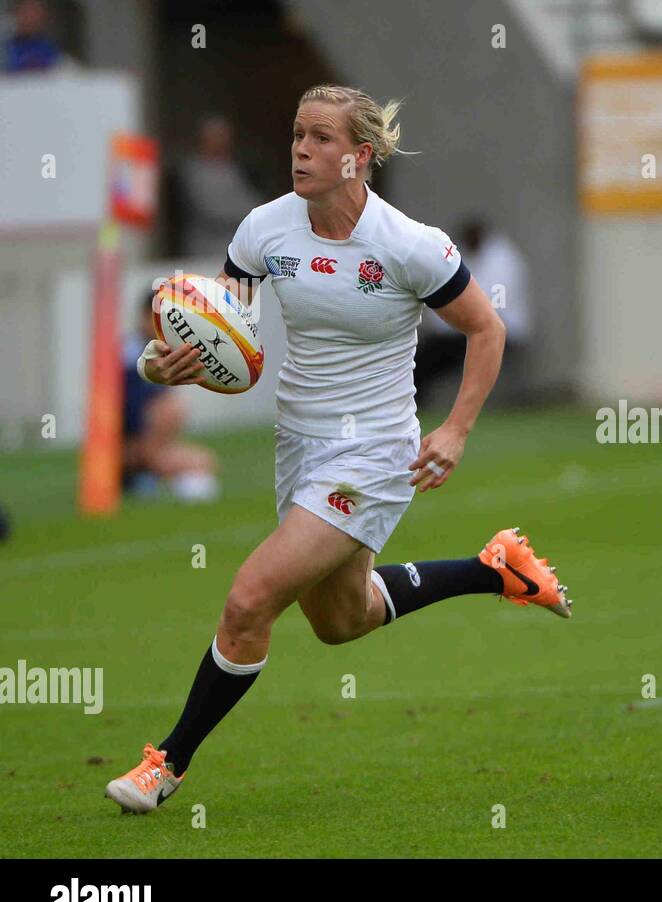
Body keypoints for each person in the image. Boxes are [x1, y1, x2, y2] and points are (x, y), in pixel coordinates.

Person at [106, 84, 572, 815]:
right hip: (298, 444)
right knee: (340, 621)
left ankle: (165, 763)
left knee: (249, 600)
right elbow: (220, 333)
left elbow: (488, 330)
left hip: (376, 451)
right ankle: (495, 570)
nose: (301, 149)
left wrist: (453, 430)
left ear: (359, 158)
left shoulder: (408, 245)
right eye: (296, 134)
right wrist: (160, 363)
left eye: (321, 138)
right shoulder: (265, 228)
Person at [414, 217, 532, 409]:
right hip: (464, 330)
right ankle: (417, 401)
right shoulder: (468, 255)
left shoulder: (502, 259)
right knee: (427, 355)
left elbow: (489, 305)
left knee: (437, 353)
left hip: (502, 330)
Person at [121, 290, 220, 503]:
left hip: (146, 445)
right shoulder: (128, 357)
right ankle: (138, 473)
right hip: (126, 448)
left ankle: (146, 476)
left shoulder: (161, 352)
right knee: (171, 411)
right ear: (145, 317)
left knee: (204, 460)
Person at [175, 115, 265, 260]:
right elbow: (211, 209)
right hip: (206, 248)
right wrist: (257, 212)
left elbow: (248, 197)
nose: (221, 141)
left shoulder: (231, 167)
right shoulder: (194, 170)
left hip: (236, 246)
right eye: (216, 136)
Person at [4, 0, 62, 72]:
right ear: (17, 14)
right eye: (26, 12)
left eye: (35, 12)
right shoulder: (6, 47)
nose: (30, 17)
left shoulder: (49, 48)